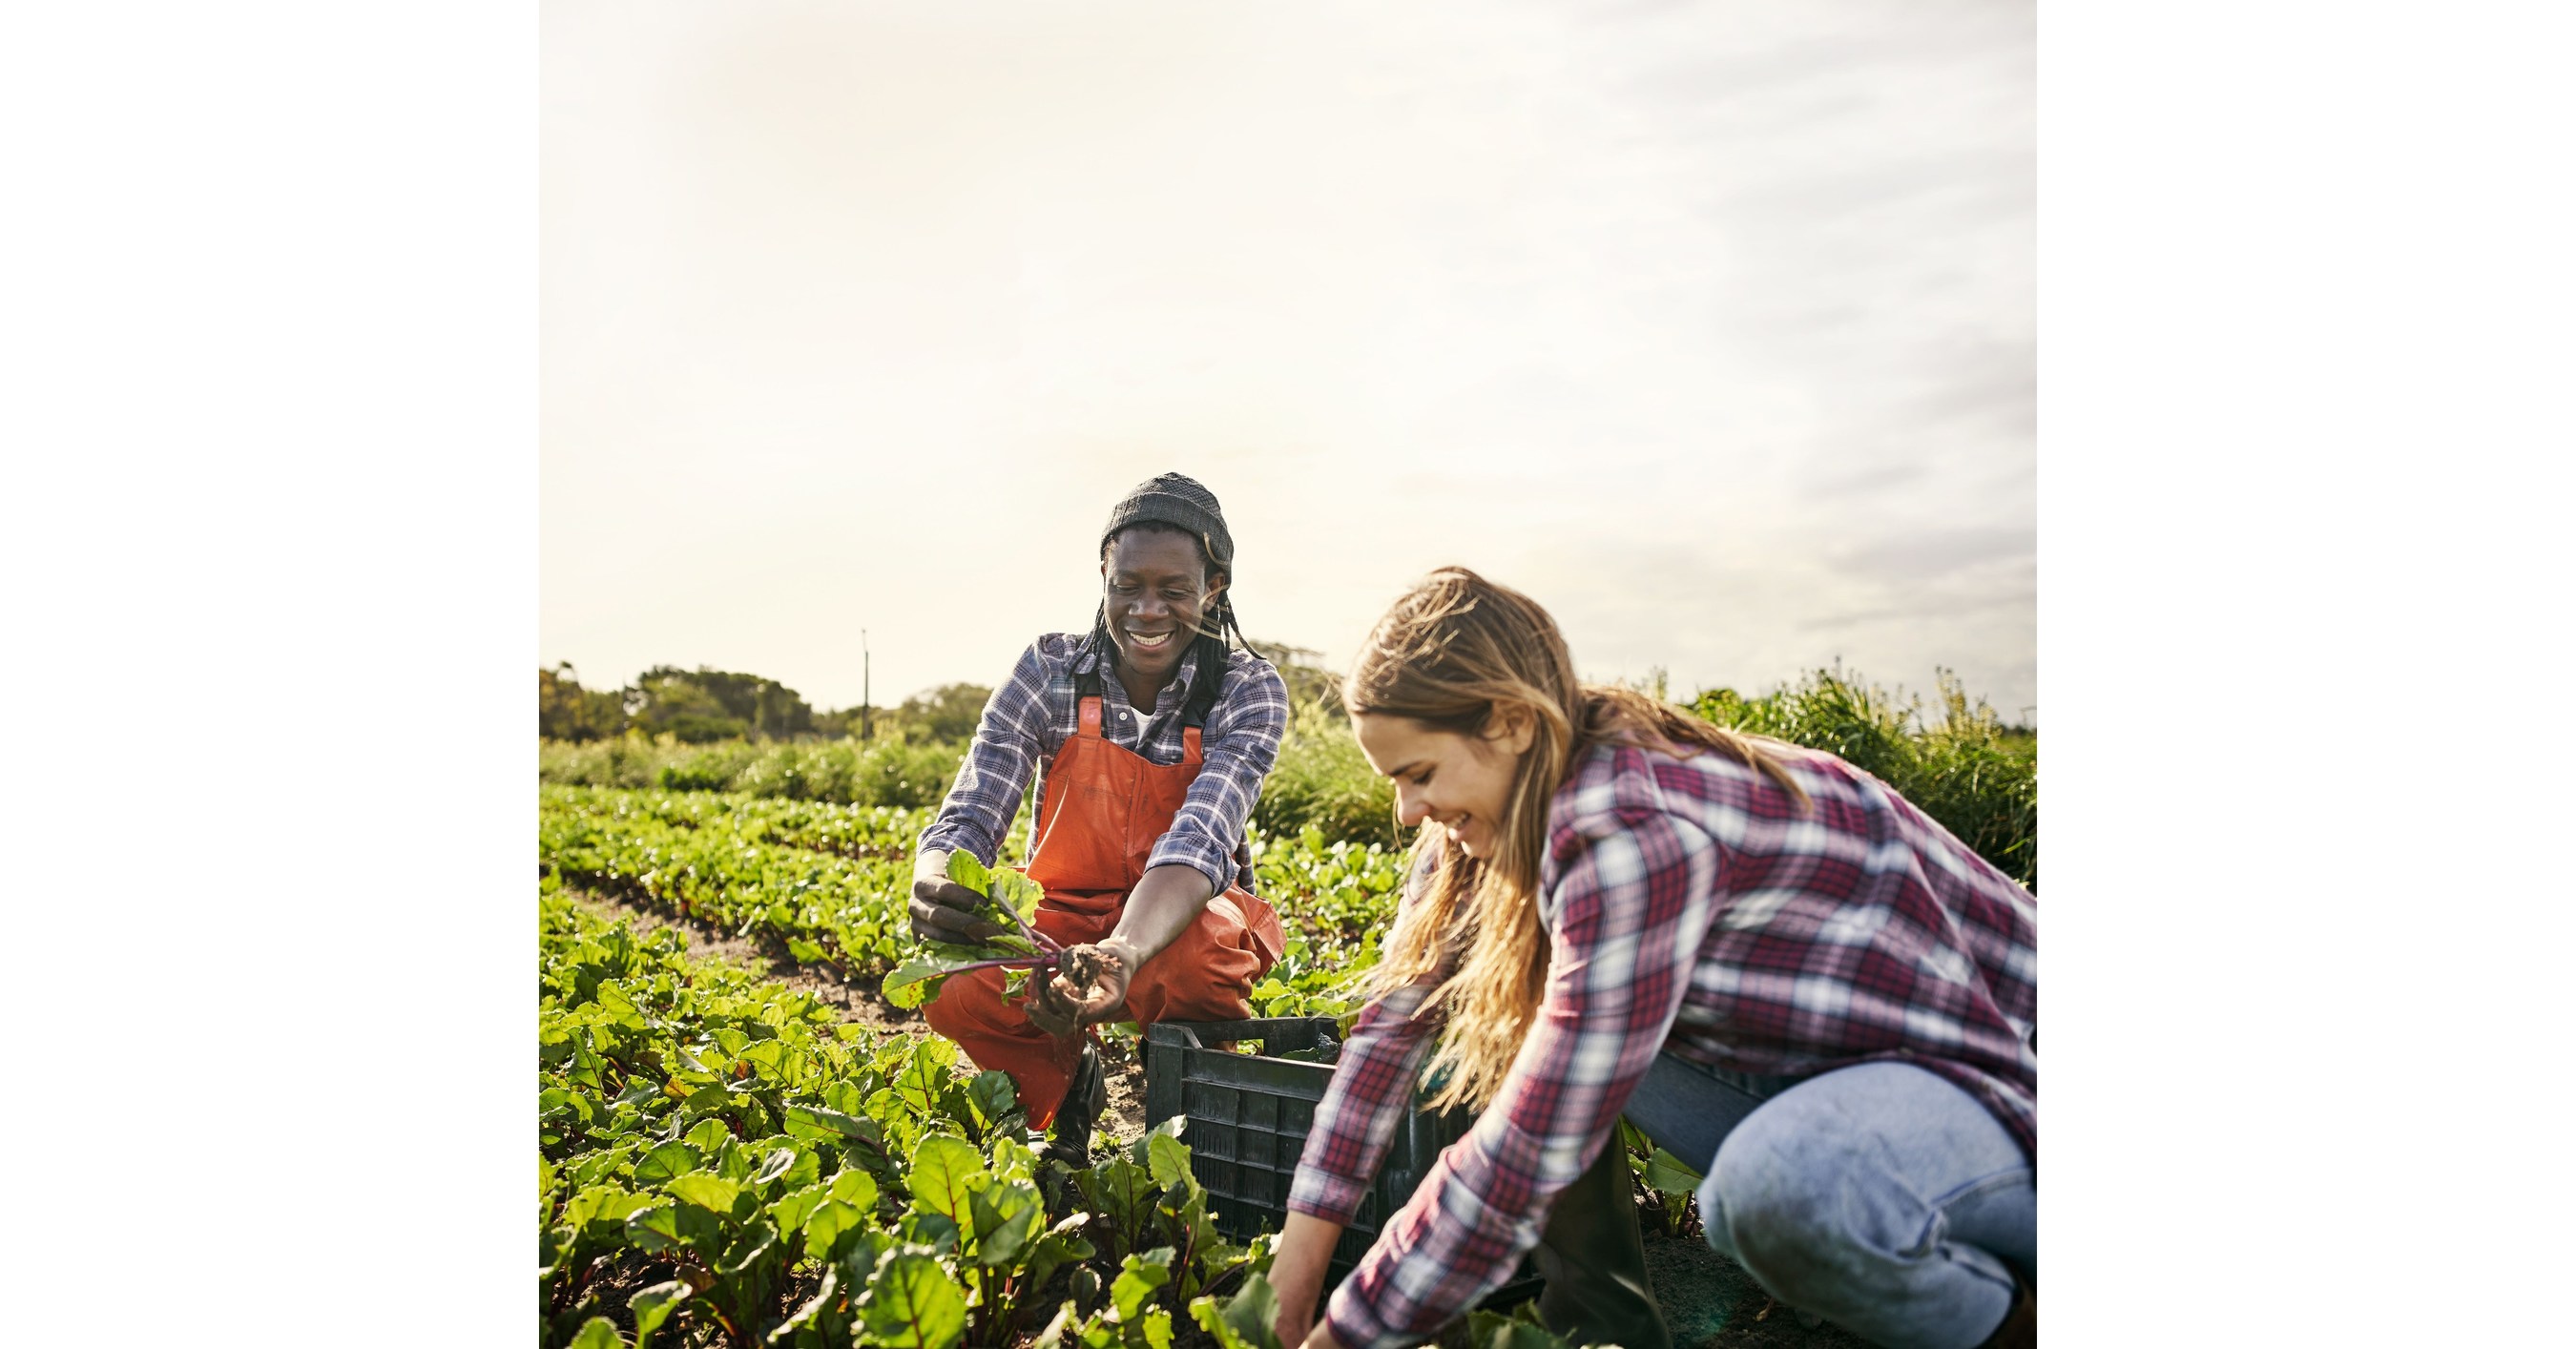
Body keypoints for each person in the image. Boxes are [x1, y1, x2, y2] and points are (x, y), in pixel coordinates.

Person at [1266, 569, 2037, 1349]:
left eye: (1419, 774)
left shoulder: (1632, 828)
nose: (1406, 811)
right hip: (1865, 1073)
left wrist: (1344, 1335)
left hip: (2008, 1091)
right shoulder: (1491, 810)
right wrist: (1292, 1280)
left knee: (1775, 1190)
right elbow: (1389, 1034)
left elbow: (1529, 1148)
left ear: (1509, 722)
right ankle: (1607, 1329)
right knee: (1505, 1012)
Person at [908, 473, 1290, 1170]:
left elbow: (1200, 840)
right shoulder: (1048, 669)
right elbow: (972, 810)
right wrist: (937, 878)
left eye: (1174, 590)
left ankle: (1182, 1106)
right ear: (1104, 578)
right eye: (1127, 586)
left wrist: (1123, 951)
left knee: (1204, 960)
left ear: (1215, 588)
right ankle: (1062, 1086)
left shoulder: (1246, 687)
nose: (1148, 610)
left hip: (1176, 922)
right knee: (958, 981)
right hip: (1059, 918)